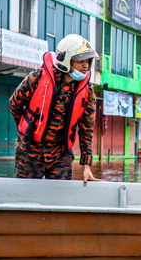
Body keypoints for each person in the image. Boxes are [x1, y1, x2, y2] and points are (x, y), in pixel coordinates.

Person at [9, 34, 100, 185]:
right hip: (30, 150)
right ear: (67, 59)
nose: (85, 66)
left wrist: (86, 165)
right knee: (24, 197)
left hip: (61, 153)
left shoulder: (88, 91)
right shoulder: (37, 78)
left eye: (87, 61)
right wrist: (27, 129)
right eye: (80, 61)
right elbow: (15, 104)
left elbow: (87, 129)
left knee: (61, 200)